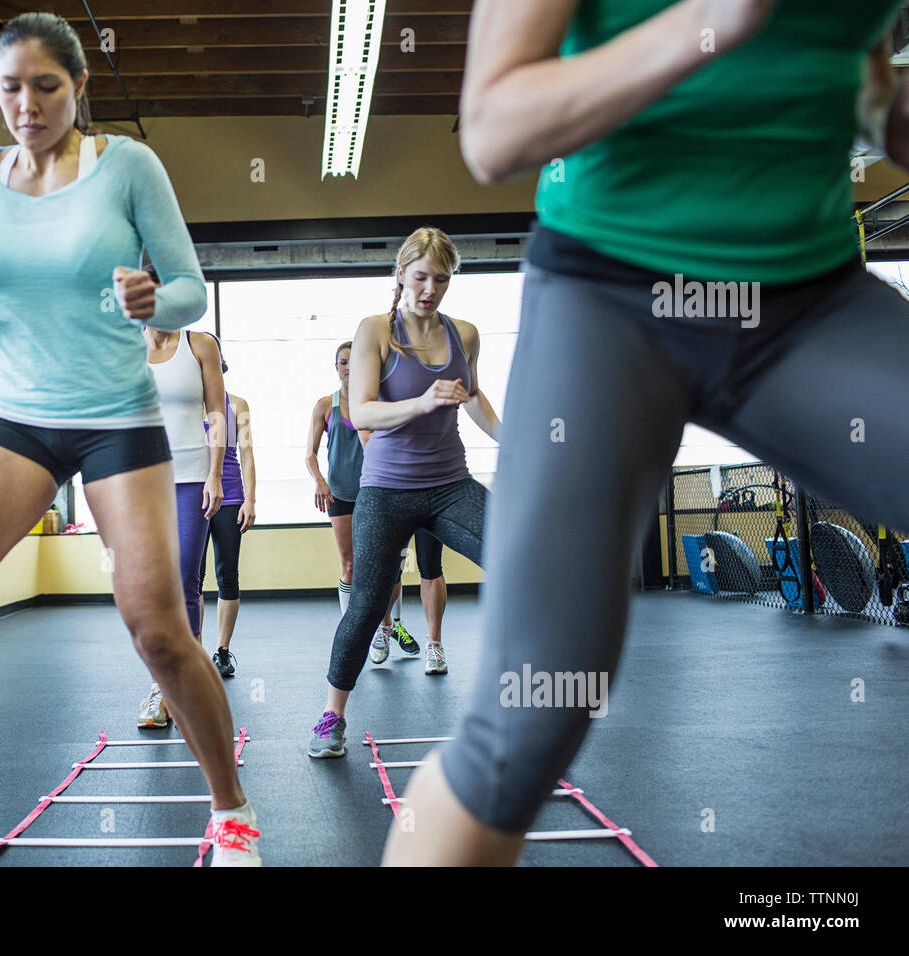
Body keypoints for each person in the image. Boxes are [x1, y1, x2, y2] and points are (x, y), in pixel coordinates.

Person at [384, 0, 909, 866]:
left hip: (809, 302)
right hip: (610, 301)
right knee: (527, 721)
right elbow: (492, 129)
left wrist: (876, 105)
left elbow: (863, 78)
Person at [0, 11, 259, 866]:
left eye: (46, 86)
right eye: (11, 87)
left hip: (119, 417)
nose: (26, 104)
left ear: (79, 88)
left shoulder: (127, 165)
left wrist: (150, 301)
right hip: (16, 413)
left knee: (159, 630)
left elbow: (190, 292)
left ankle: (231, 811)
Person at [307, 227, 502, 759]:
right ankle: (331, 716)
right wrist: (421, 402)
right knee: (368, 603)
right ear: (400, 273)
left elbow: (473, 397)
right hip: (387, 489)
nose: (430, 289)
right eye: (420, 277)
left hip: (450, 484)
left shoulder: (465, 334)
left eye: (441, 279)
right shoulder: (375, 331)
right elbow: (361, 410)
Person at [305, 344, 448, 670]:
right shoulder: (326, 405)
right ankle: (353, 631)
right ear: (336, 366)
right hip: (341, 492)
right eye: (343, 362)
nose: (349, 368)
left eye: (355, 362)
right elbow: (310, 453)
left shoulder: (381, 403)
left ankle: (387, 626)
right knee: (351, 565)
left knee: (389, 565)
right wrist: (319, 481)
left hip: (379, 492)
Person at [139, 283, 226, 726]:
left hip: (192, 479)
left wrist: (215, 473)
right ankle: (159, 682)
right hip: (141, 481)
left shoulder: (200, 345)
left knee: (184, 580)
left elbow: (217, 413)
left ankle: (179, 682)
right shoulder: (124, 347)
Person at [197, 383, 256, 678]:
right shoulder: (187, 406)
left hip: (231, 497)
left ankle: (222, 651)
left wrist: (250, 499)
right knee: (192, 579)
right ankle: (194, 653)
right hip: (191, 498)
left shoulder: (238, 405)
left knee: (227, 575)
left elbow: (247, 454)